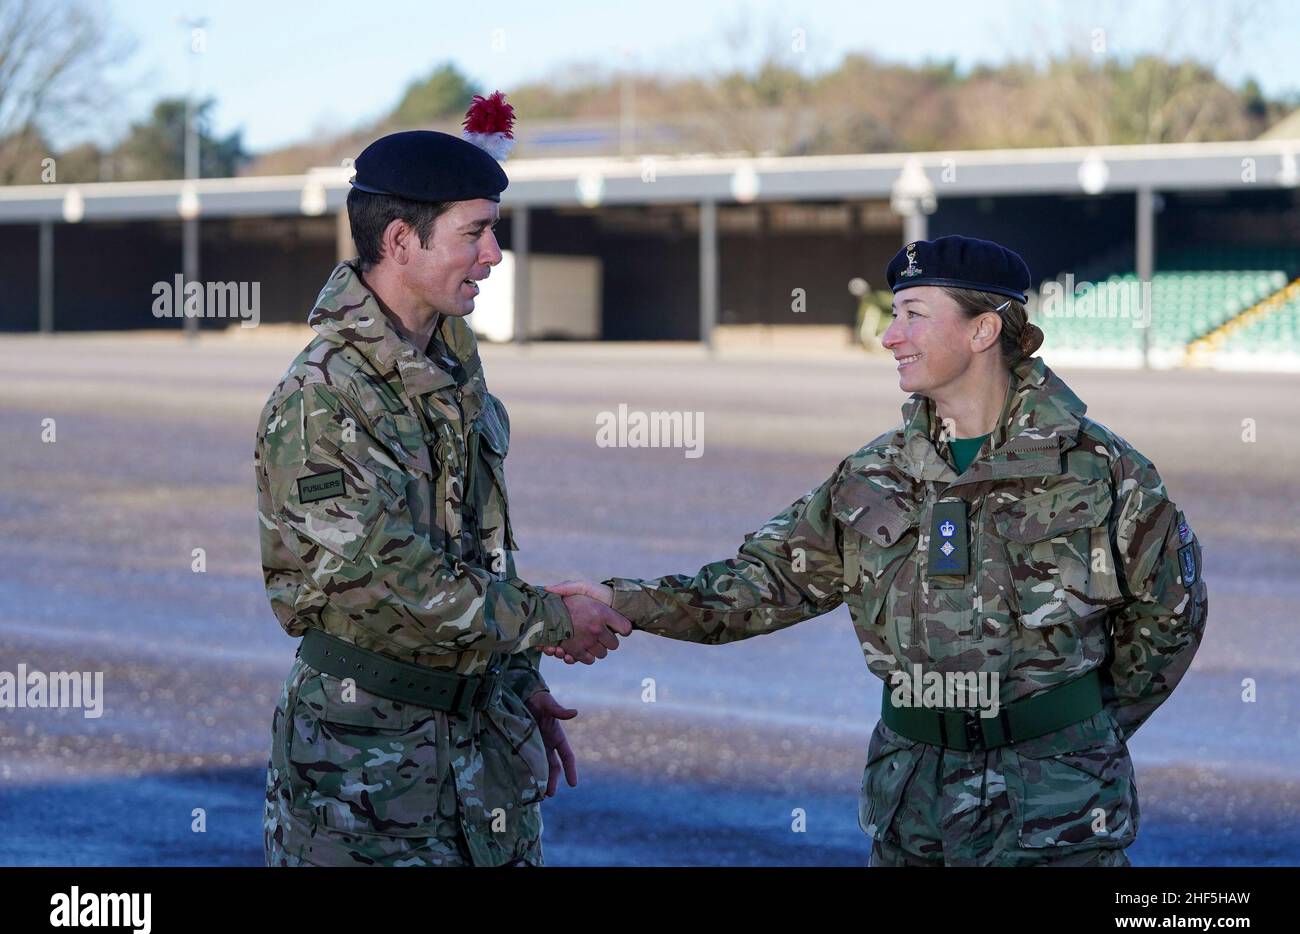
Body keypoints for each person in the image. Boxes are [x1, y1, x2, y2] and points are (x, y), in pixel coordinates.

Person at [546, 235, 1208, 867]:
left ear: (984, 331)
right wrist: (619, 599)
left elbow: (1169, 619)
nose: (891, 336)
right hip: (911, 808)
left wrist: (1076, 730)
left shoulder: (1101, 470)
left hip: (1057, 811)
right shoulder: (874, 474)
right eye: (894, 316)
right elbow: (760, 587)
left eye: (915, 316)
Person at [255, 93, 629, 867]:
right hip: (362, 774)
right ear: (400, 240)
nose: (493, 254)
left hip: (476, 747)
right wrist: (549, 624)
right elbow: (386, 578)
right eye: (477, 232)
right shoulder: (323, 397)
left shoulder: (451, 369)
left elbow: (477, 544)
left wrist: (514, 674)